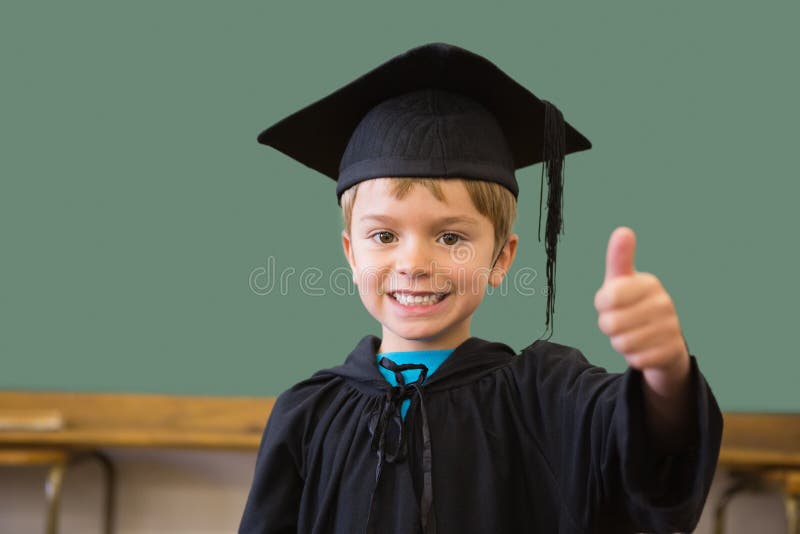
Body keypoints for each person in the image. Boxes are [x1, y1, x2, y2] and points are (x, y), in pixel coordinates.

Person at [239, 42, 723, 534]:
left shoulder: (544, 395)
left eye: (450, 237)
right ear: (350, 252)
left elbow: (644, 448)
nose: (413, 264)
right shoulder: (307, 415)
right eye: (384, 235)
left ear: (501, 257)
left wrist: (665, 372)